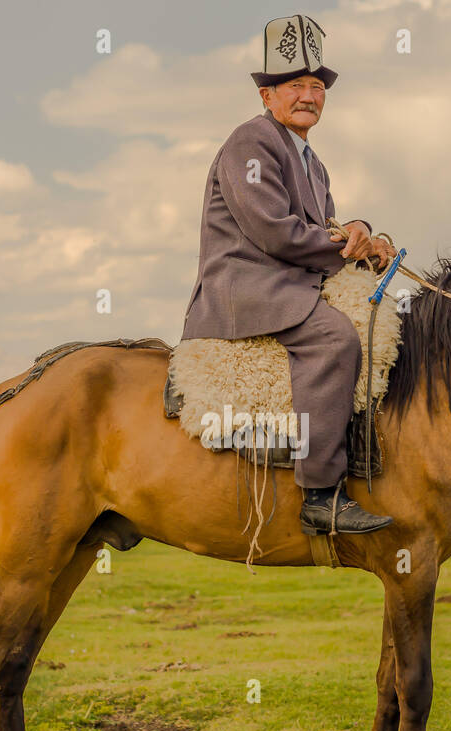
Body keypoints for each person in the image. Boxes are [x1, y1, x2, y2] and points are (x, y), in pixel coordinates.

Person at [181, 14, 396, 535]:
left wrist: (366, 240)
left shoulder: (313, 162)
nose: (308, 95)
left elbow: (326, 232)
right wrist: (347, 245)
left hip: (290, 282)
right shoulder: (251, 144)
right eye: (295, 85)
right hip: (248, 286)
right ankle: (321, 495)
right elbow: (277, 234)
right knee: (336, 339)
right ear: (267, 97)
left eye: (317, 86)